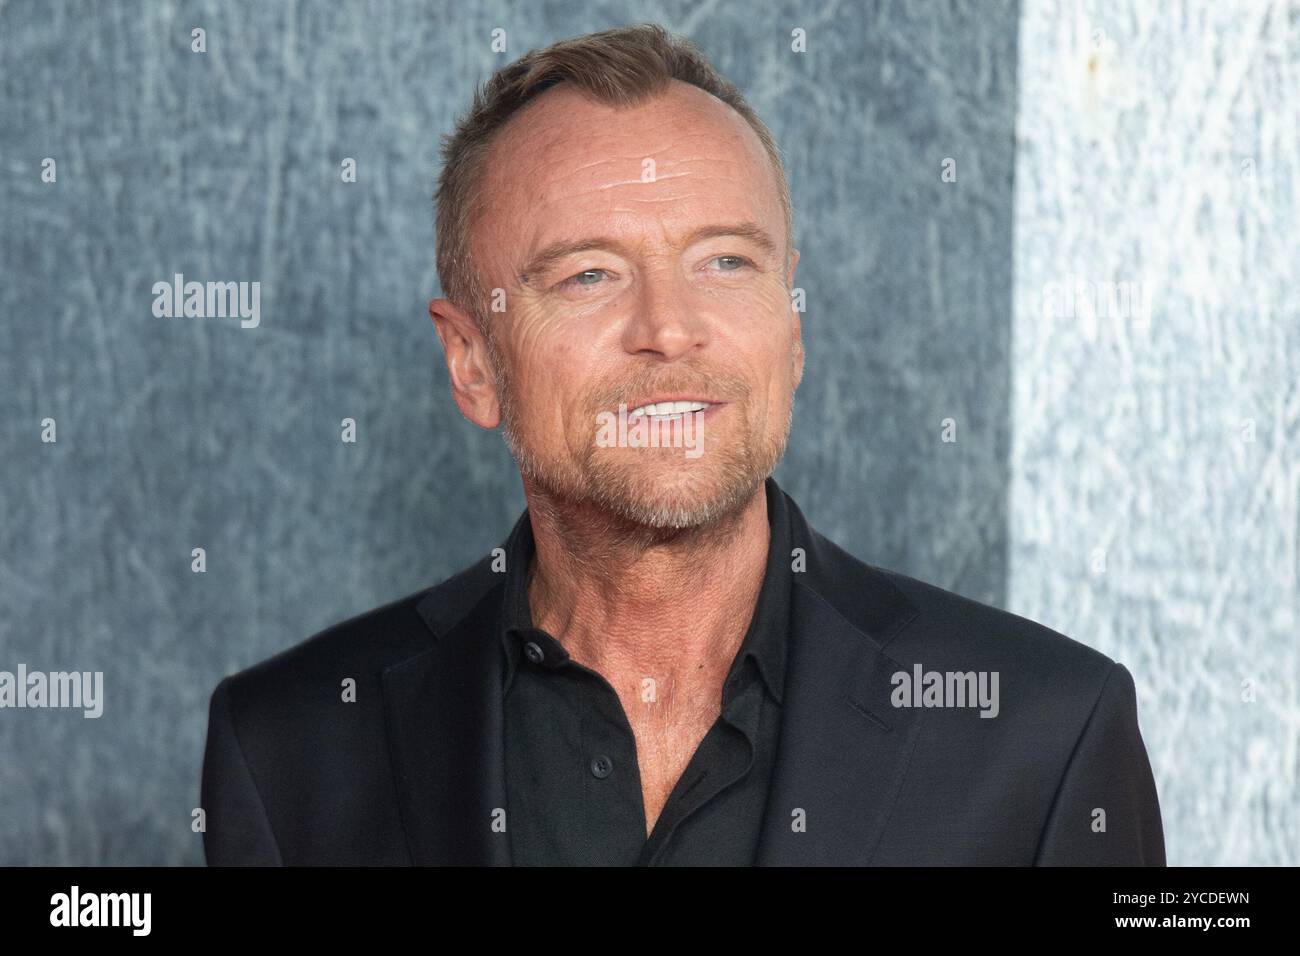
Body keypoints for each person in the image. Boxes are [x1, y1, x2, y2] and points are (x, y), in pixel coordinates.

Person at [200, 23, 1165, 866]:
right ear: (473, 363)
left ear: (793, 330)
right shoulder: (293, 747)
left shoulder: (1046, 732)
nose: (670, 327)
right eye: (587, 275)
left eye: (725, 262)